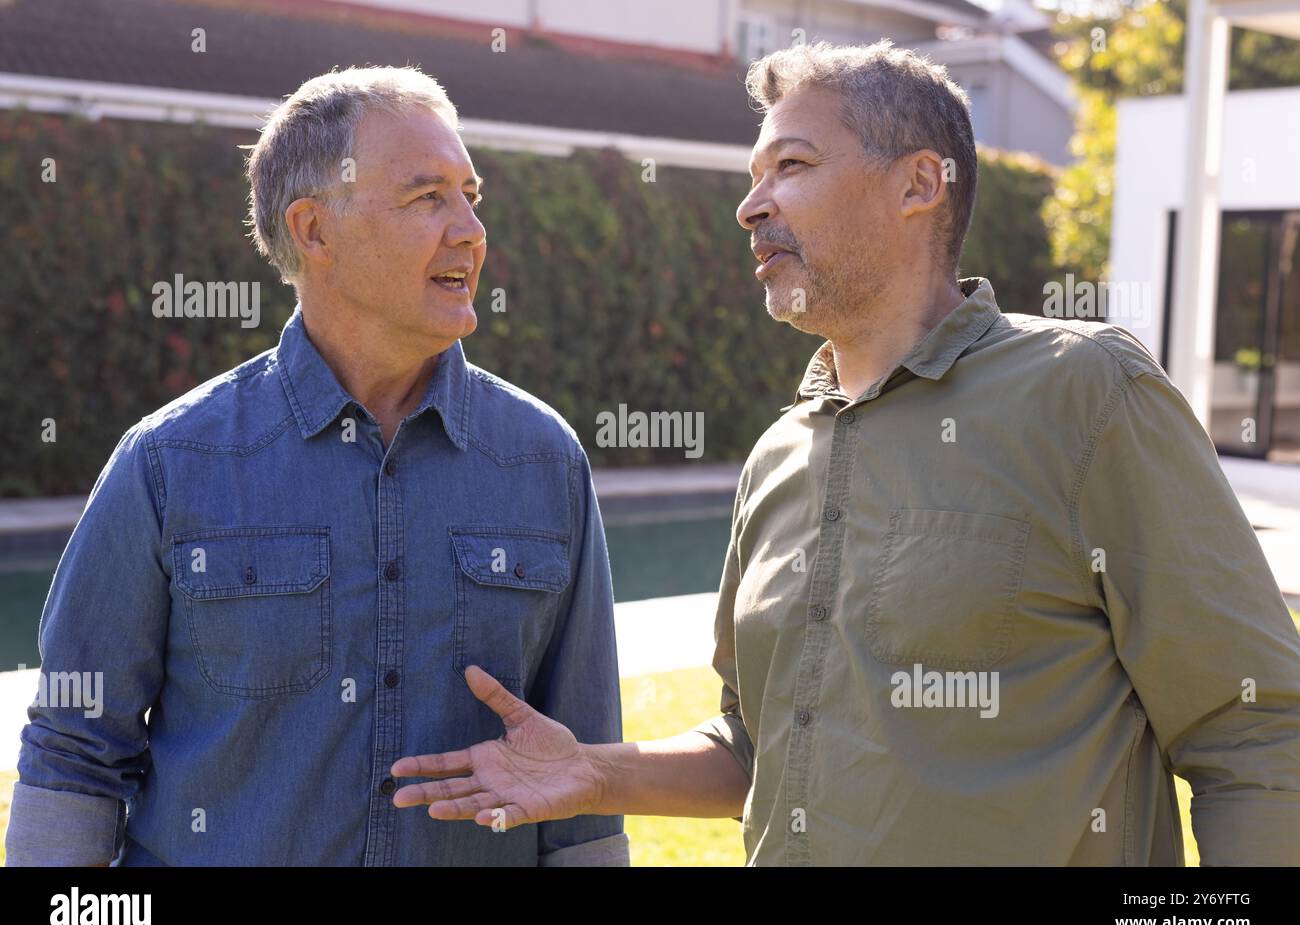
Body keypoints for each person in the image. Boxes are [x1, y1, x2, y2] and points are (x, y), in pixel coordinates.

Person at [390, 41, 1300, 866]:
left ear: (918, 184)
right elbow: (760, 746)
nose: (750, 205)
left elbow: (1258, 734)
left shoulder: (1087, 394)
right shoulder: (781, 454)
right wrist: (595, 772)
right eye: (753, 176)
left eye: (791, 165)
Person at [5, 66, 627, 866]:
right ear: (315, 229)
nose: (471, 229)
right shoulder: (169, 464)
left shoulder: (546, 463)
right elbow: (74, 751)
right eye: (427, 196)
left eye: (472, 194)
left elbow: (584, 785)